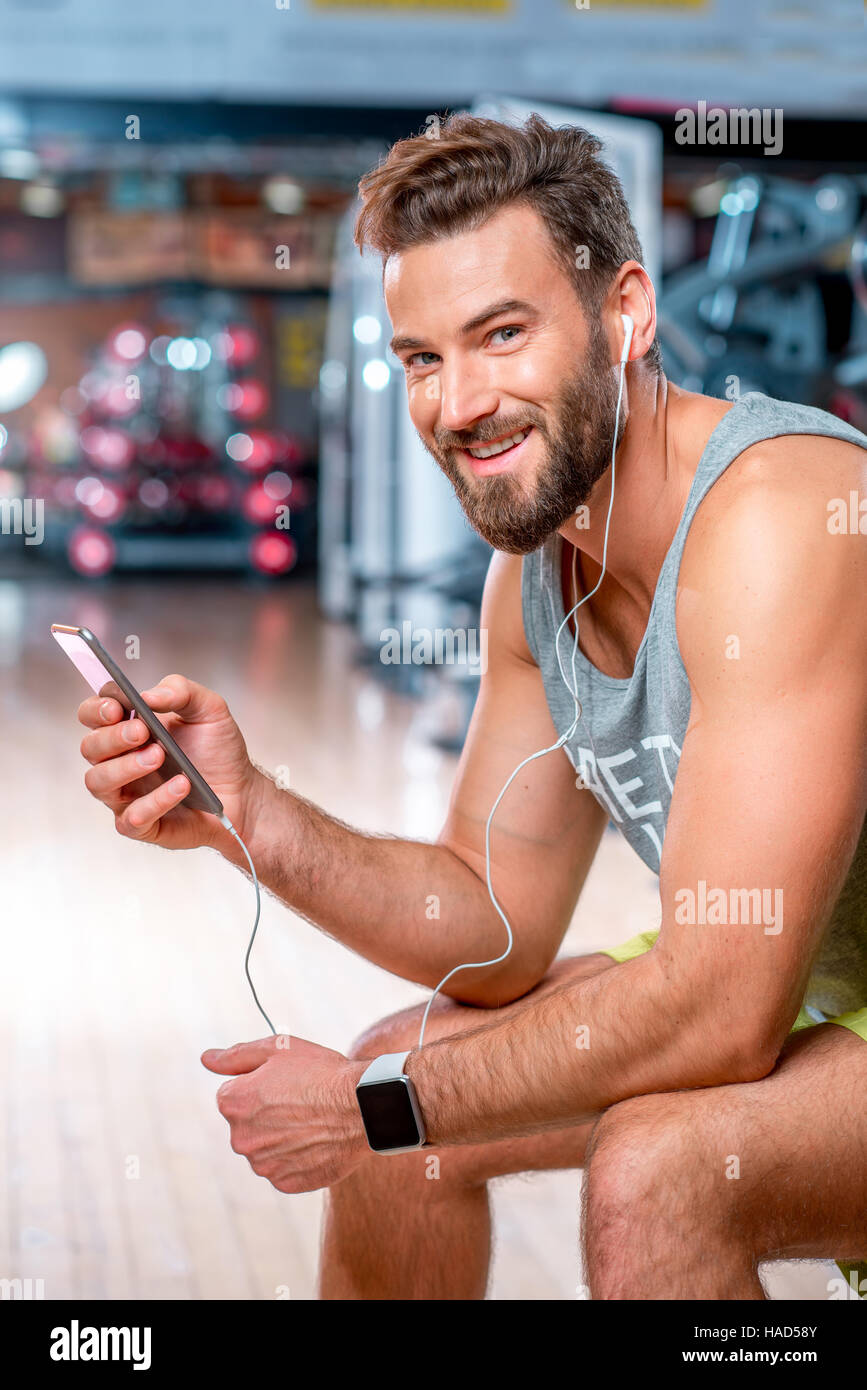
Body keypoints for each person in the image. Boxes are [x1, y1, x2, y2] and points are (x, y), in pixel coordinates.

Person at [76, 114, 867, 1301]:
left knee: (650, 1172)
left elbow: (722, 1011)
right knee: (403, 1083)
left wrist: (371, 1111)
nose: (459, 403)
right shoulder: (532, 576)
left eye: (502, 335)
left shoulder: (783, 517)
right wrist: (251, 813)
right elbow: (493, 920)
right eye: (423, 357)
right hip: (808, 983)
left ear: (627, 316)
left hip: (768, 984)